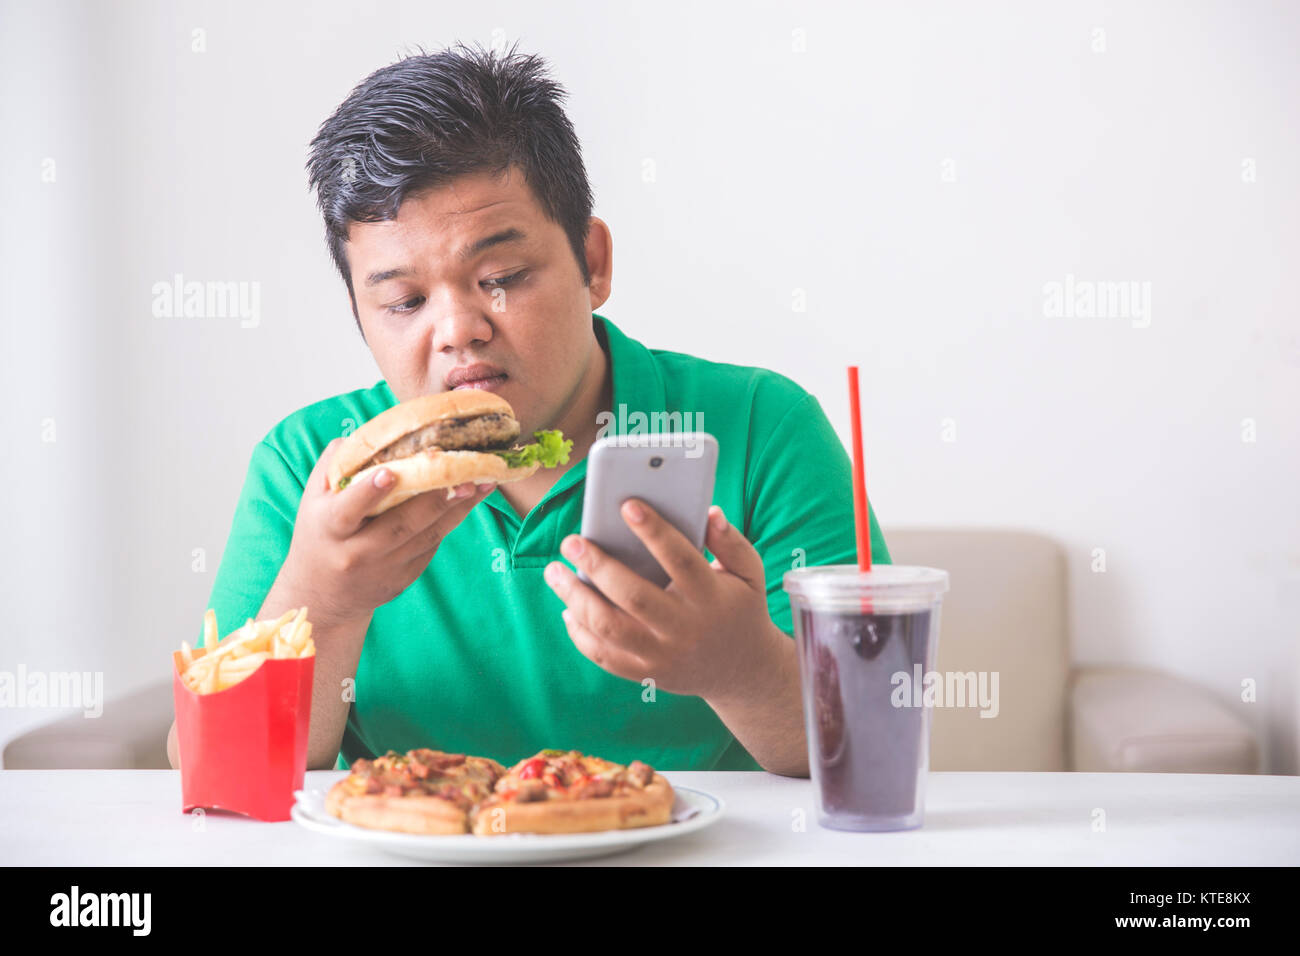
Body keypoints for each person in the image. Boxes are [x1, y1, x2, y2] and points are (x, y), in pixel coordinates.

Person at [166, 42, 890, 775]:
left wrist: (741, 669)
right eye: (404, 301)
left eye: (502, 276)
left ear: (593, 263)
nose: (456, 330)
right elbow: (219, 771)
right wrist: (322, 600)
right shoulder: (306, 467)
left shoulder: (766, 428)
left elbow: (878, 748)